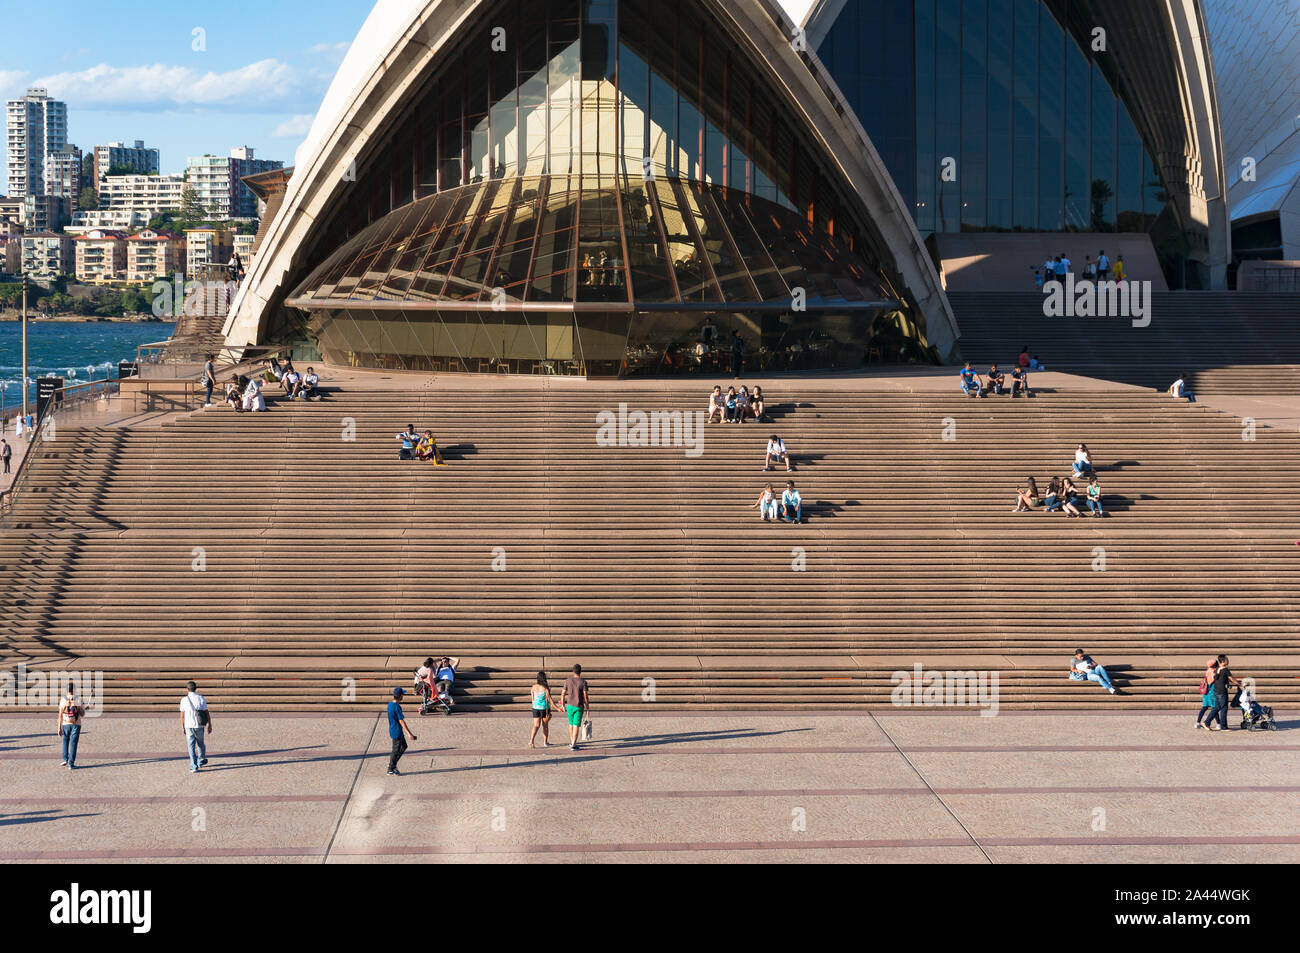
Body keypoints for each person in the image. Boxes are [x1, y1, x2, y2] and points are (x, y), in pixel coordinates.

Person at [179, 680, 212, 773]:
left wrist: (182, 727)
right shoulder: (201, 698)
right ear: (196, 688)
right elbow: (206, 713)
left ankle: (194, 766)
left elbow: (182, 715)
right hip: (199, 725)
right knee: (201, 744)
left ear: (187, 690)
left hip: (188, 726)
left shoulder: (184, 700)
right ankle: (201, 760)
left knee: (191, 746)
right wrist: (210, 725)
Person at [387, 687, 418, 774]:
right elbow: (401, 722)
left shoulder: (390, 704)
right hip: (397, 731)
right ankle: (390, 768)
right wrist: (409, 734)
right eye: (402, 694)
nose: (403, 696)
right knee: (395, 750)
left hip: (393, 729)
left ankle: (393, 765)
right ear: (400, 696)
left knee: (404, 746)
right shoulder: (397, 707)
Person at [560, 664, 590, 751]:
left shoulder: (568, 681)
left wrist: (562, 704)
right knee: (576, 725)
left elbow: (563, 693)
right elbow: (585, 696)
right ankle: (573, 744)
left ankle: (572, 741)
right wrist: (587, 707)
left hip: (569, 705)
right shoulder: (583, 682)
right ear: (580, 671)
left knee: (571, 724)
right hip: (579, 706)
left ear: (573, 671)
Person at [1206, 654, 1240, 731]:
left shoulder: (1218, 668)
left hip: (1216, 690)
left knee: (1218, 707)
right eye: (1227, 659)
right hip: (1222, 691)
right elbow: (1232, 679)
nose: (1228, 660)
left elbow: (1216, 678)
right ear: (1223, 661)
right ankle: (1221, 726)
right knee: (1223, 708)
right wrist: (1239, 683)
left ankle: (1209, 723)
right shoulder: (1225, 670)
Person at [57, 684, 84, 769]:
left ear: (67, 690)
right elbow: (82, 714)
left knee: (65, 741)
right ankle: (71, 764)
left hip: (65, 723)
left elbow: (60, 715)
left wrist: (59, 727)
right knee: (73, 743)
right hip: (76, 724)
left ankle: (65, 759)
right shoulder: (78, 699)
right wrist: (82, 709)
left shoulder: (62, 700)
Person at [528, 672, 556, 748]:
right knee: (545, 726)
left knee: (536, 725)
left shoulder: (533, 687)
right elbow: (550, 700)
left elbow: (532, 699)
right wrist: (557, 708)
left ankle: (531, 740)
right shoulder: (545, 688)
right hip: (544, 708)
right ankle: (545, 742)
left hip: (535, 708)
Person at [1195, 658, 1219, 729]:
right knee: (1214, 708)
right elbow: (1214, 680)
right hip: (1212, 692)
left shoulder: (1208, 671)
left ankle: (1198, 722)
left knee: (1204, 707)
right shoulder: (1214, 672)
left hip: (1206, 692)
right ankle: (1219, 723)